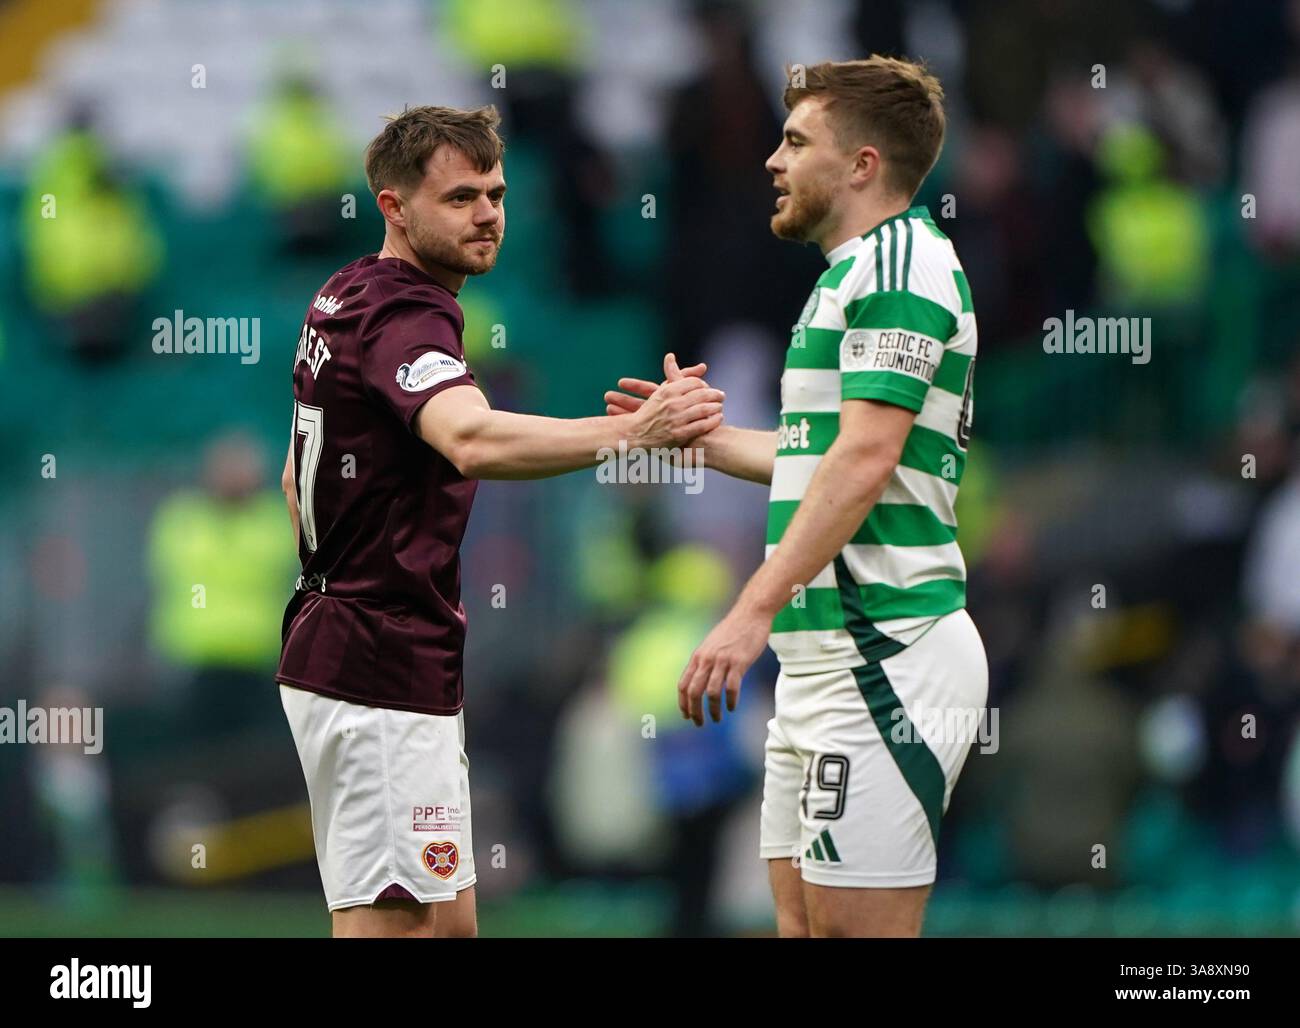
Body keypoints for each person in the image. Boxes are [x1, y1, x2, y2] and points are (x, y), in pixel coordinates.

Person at [276, 104, 724, 939]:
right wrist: (636, 430)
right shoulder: (402, 312)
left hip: (385, 651)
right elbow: (471, 437)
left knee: (448, 926)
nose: (486, 214)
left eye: (496, 193)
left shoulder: (346, 293)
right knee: (394, 929)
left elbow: (291, 475)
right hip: (372, 660)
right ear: (394, 206)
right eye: (459, 198)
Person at [606, 57, 987, 937]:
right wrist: (697, 438)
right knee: (804, 928)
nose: (773, 162)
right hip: (824, 659)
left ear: (861, 164)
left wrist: (750, 612)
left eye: (794, 141)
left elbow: (865, 459)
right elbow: (821, 455)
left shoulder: (900, 266)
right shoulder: (847, 275)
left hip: (887, 648)